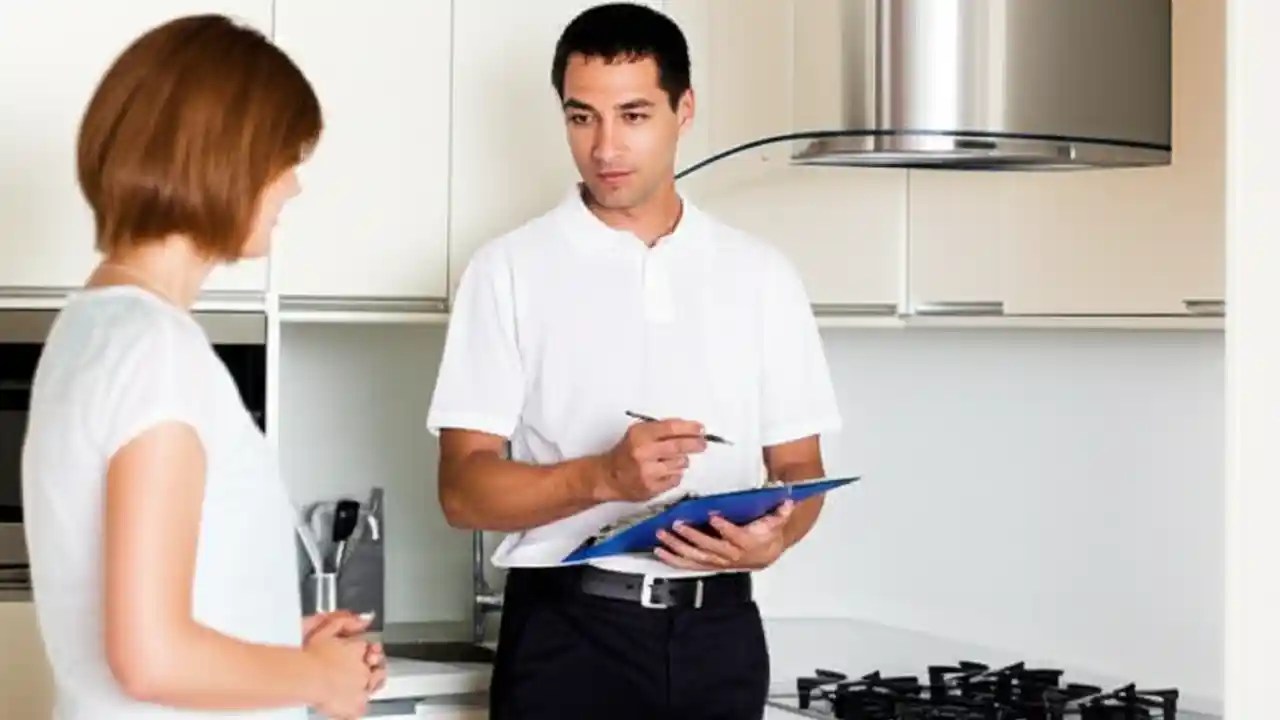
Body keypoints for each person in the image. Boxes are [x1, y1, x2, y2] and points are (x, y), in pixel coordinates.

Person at [426, 3, 842, 718]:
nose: (605, 147)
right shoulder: (509, 270)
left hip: (721, 637)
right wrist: (604, 477)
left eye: (634, 115)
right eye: (582, 117)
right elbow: (462, 493)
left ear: (685, 110)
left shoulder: (760, 274)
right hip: (566, 638)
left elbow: (800, 468)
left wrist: (774, 539)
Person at [21, 14, 384, 720]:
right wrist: (318, 679)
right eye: (285, 159)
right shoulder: (157, 353)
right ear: (226, 160)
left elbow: (146, 619)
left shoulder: (90, 330)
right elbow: (151, 658)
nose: (292, 188)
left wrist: (279, 646)